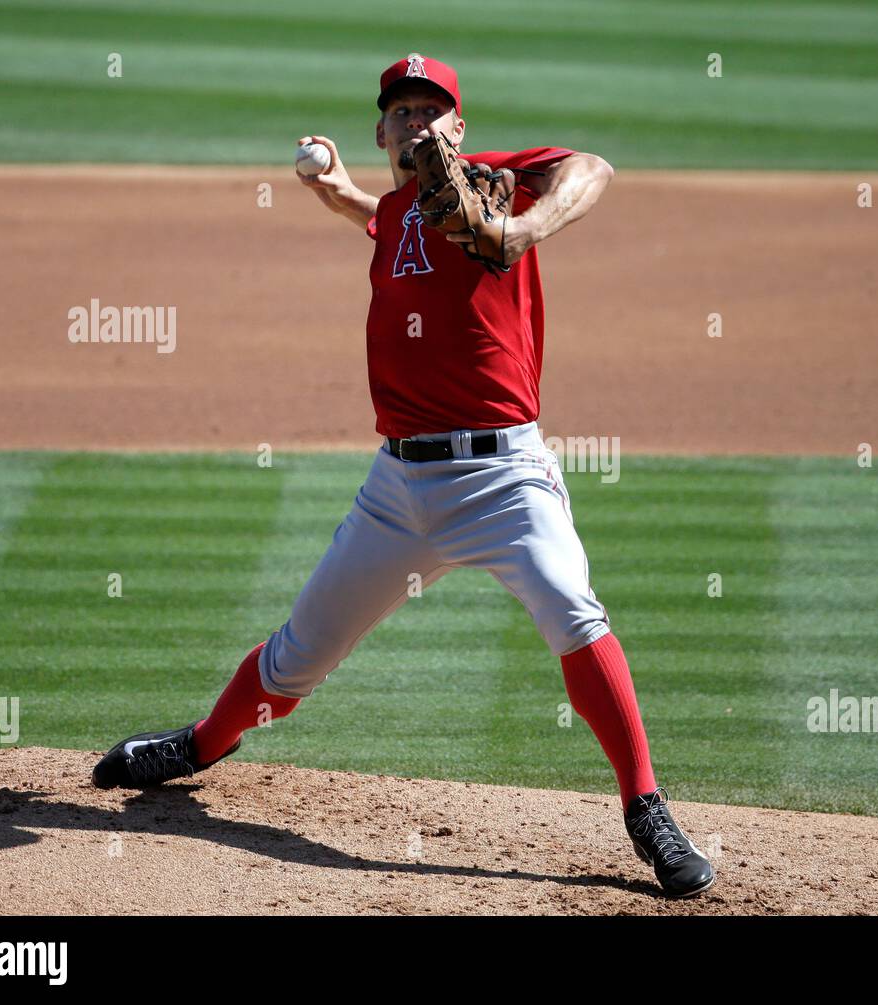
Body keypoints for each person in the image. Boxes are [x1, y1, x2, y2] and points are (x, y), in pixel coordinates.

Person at [92, 53, 715, 899]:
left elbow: (593, 166)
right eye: (400, 110)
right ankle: (202, 743)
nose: (416, 121)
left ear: (458, 125)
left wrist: (524, 231)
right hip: (398, 489)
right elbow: (390, 224)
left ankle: (646, 806)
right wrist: (339, 193)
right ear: (382, 130)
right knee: (297, 655)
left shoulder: (498, 184)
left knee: (572, 607)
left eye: (432, 108)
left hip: (505, 478)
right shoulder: (394, 211)